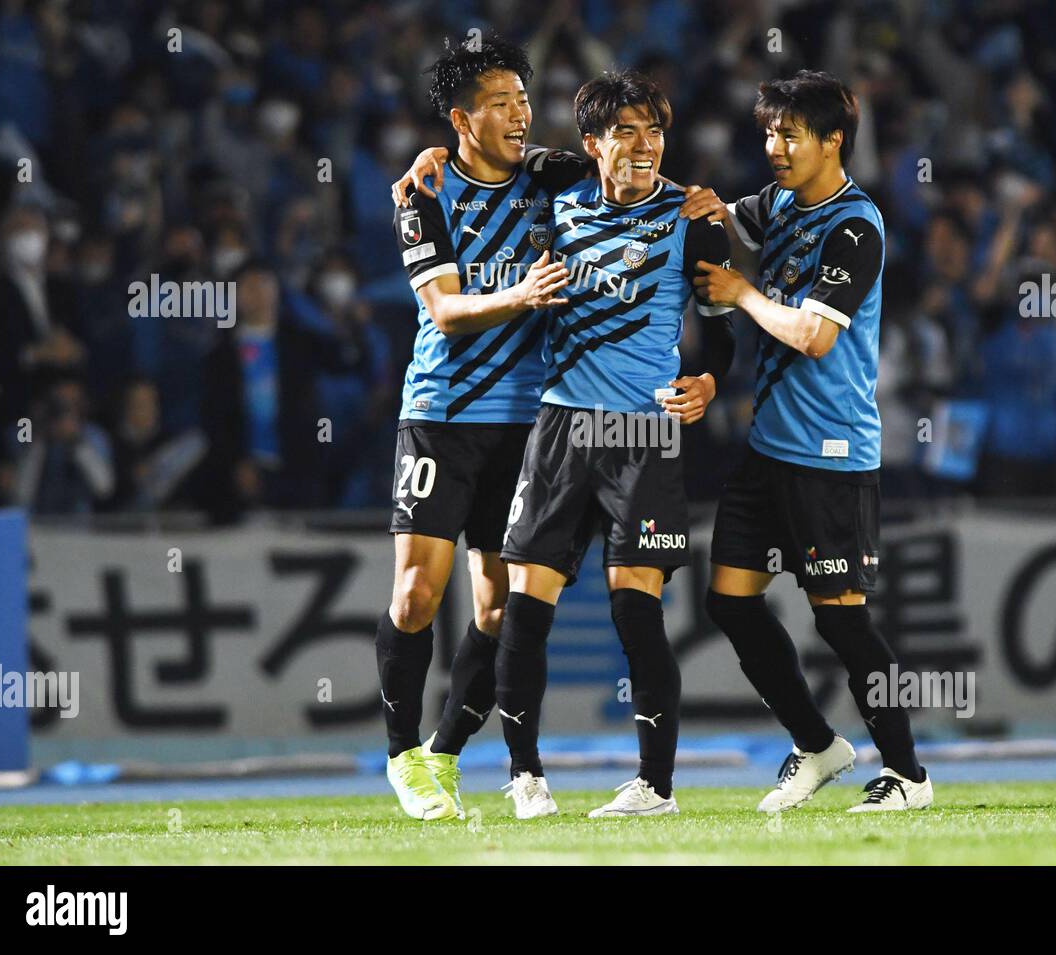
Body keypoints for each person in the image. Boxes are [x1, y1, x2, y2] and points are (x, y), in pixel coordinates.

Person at [681, 70, 934, 812]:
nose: (774, 147)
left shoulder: (857, 225)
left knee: (840, 616)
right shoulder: (781, 203)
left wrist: (743, 294)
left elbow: (816, 335)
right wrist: (695, 205)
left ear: (833, 143)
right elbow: (729, 216)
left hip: (829, 453)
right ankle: (817, 743)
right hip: (768, 450)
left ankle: (909, 774)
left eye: (790, 134)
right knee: (729, 601)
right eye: (768, 132)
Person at [487, 70, 735, 818]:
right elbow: (494, 159)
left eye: (653, 130)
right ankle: (526, 775)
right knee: (524, 609)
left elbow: (720, 329)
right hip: (562, 427)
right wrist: (426, 164)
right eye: (625, 130)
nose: (643, 145)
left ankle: (654, 786)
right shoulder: (555, 210)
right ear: (592, 143)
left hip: (643, 434)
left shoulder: (694, 218)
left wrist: (710, 382)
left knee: (637, 612)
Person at [374, 37, 581, 821]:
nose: (520, 114)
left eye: (524, 100)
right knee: (418, 592)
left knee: (499, 609)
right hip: (442, 415)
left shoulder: (548, 178)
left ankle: (445, 753)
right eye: (500, 103)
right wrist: (525, 294)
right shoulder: (423, 195)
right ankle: (399, 757)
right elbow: (446, 312)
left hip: (526, 423)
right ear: (462, 119)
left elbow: (622, 179)